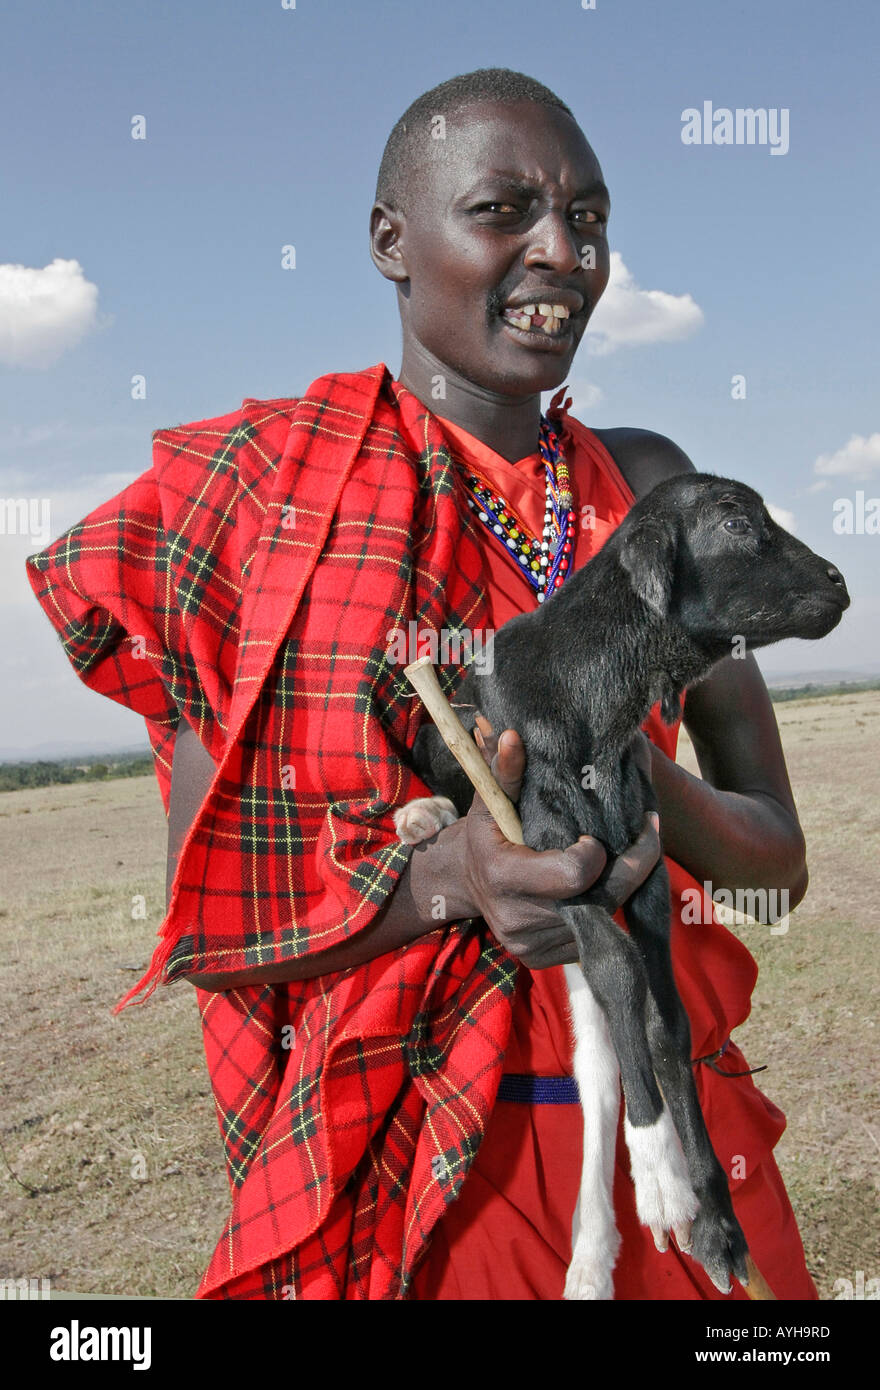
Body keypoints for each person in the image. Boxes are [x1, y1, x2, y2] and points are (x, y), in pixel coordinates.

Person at [26, 68, 817, 1301]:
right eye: (506, 212)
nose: (563, 252)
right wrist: (448, 880)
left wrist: (617, 778)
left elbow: (777, 856)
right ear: (391, 240)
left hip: (681, 1159)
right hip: (435, 1187)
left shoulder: (656, 493)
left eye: (590, 219)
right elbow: (217, 926)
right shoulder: (259, 508)